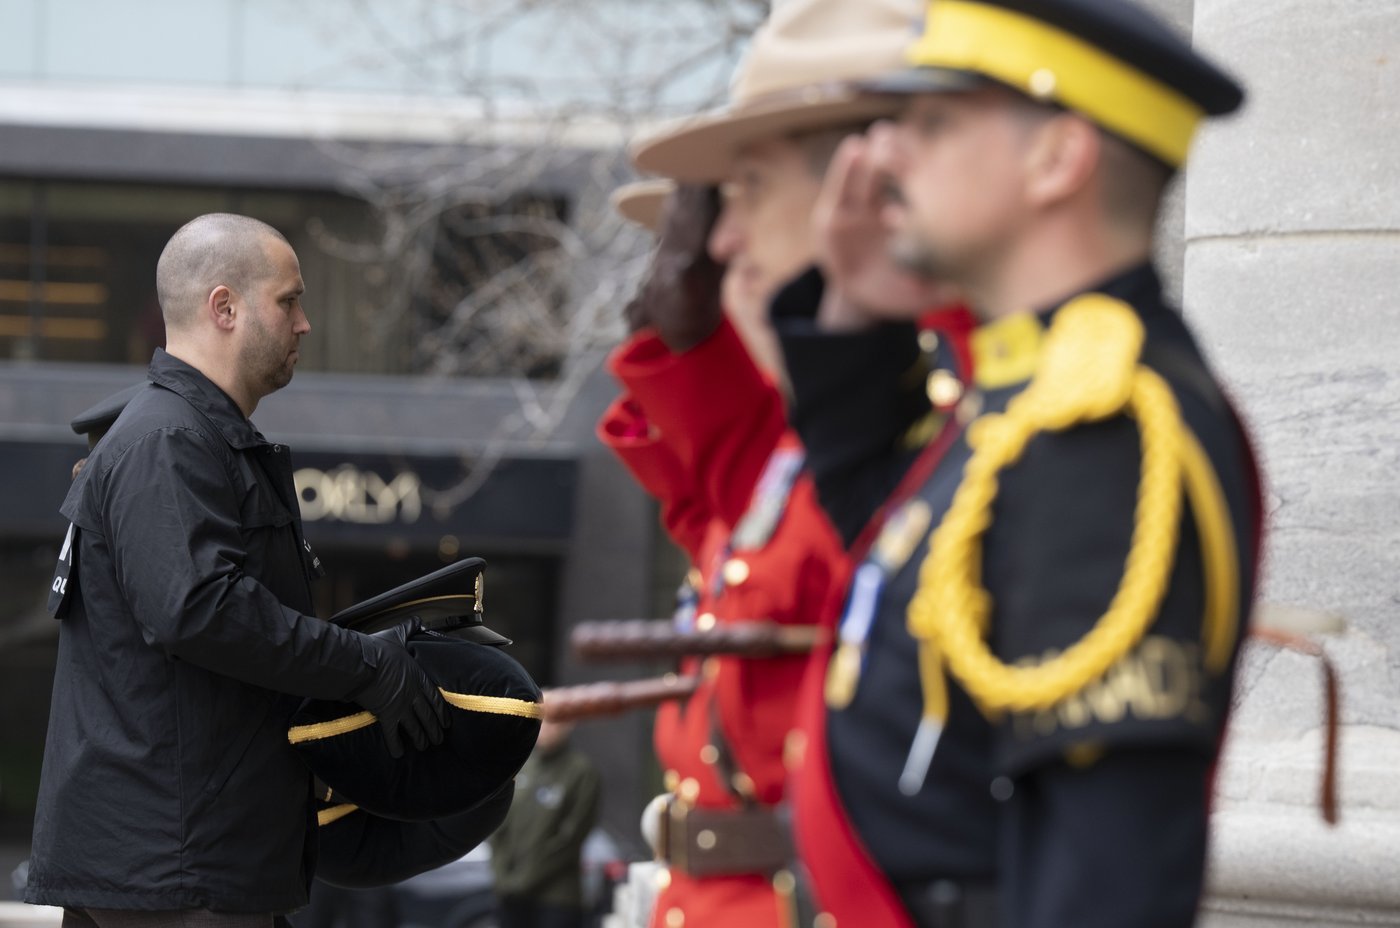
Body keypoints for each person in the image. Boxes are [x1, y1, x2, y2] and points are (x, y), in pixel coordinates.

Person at [773, 1, 1265, 926]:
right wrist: (854, 308)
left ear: (1057, 160)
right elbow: (881, 529)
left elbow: (1106, 874)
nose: (887, 149)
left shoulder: (1104, 424)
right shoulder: (1018, 397)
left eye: (935, 122)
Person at [593, 3, 975, 927]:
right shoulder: (805, 450)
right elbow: (716, 492)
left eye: (747, 190)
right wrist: (680, 346)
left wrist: (700, 352)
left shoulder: (936, 421)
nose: (720, 249)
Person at [28, 213, 450, 927]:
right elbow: (201, 610)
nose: (305, 323)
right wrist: (365, 666)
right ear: (223, 308)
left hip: (189, 867)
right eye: (288, 301)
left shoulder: (189, 436)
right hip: (177, 875)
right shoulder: (168, 440)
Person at [489, 720, 602, 928]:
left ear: (568, 725)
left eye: (555, 721)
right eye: (542, 721)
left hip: (557, 898)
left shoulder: (580, 772)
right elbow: (497, 825)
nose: (547, 728)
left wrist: (524, 879)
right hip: (511, 894)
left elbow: (572, 837)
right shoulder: (521, 766)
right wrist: (502, 877)